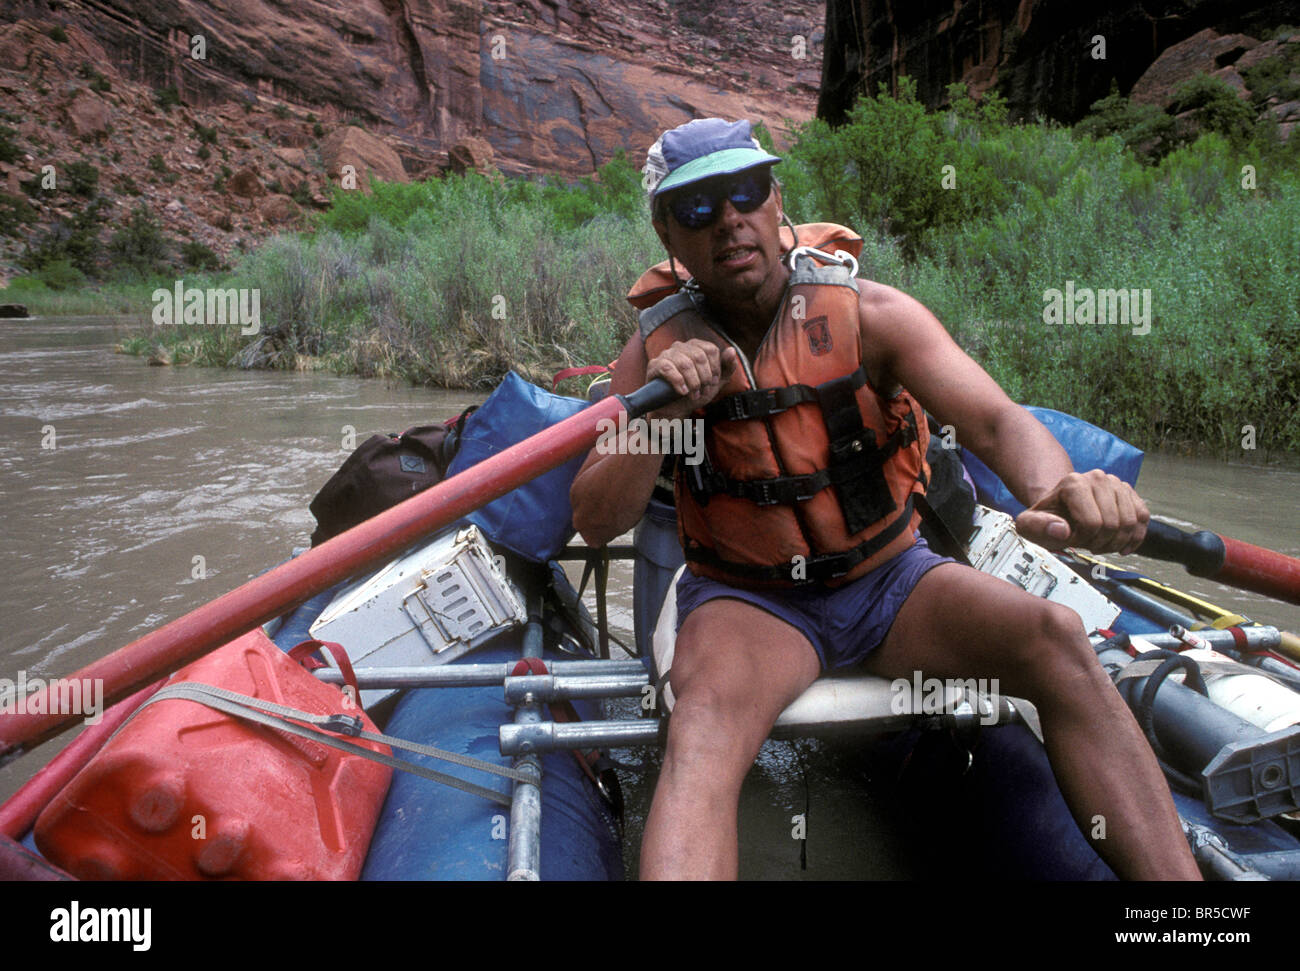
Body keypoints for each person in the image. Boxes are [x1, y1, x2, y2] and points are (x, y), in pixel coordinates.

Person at [569, 118, 1201, 881]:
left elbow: (999, 421)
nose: (730, 219)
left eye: (746, 191)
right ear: (667, 230)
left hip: (892, 581)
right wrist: (664, 408)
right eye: (699, 206)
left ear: (776, 203)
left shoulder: (870, 315)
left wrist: (1054, 487)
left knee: (1054, 634)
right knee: (701, 730)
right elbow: (596, 518)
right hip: (752, 602)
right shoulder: (655, 358)